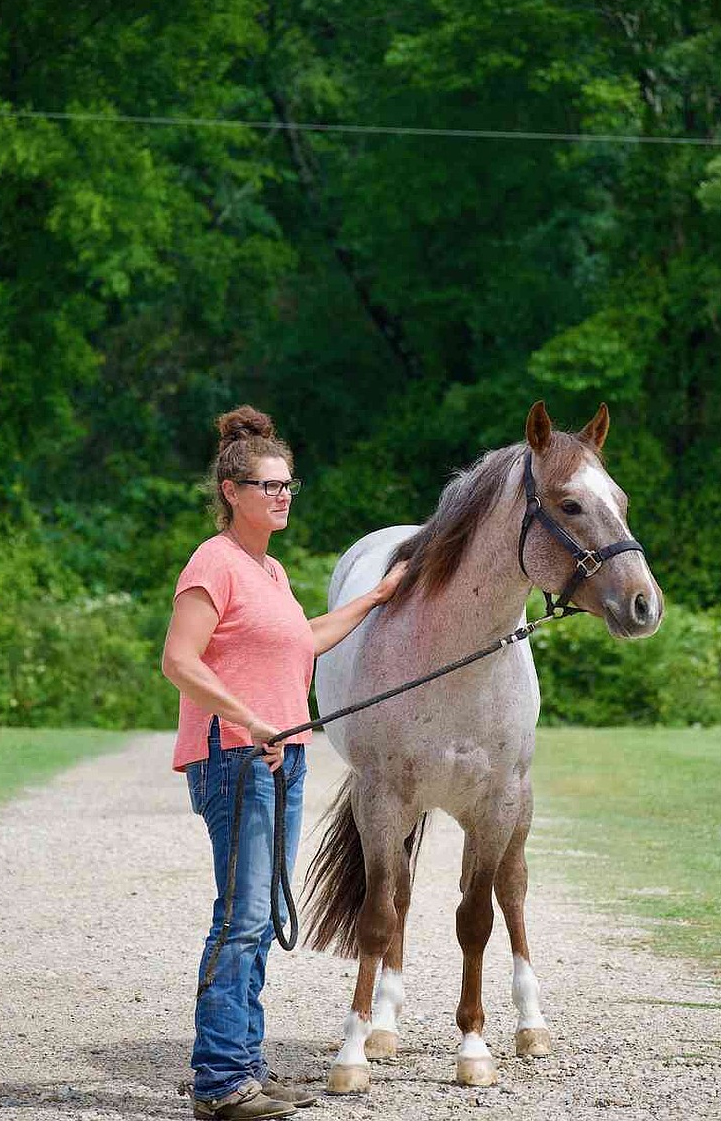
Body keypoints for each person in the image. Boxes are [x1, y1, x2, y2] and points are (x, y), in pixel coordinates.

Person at [161, 406, 405, 1121]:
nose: (282, 496)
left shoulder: (270, 571)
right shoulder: (214, 563)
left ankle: (245, 1069)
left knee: (263, 916)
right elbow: (178, 660)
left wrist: (378, 597)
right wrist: (249, 718)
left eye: (288, 485)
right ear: (231, 491)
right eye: (268, 486)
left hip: (281, 757)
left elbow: (306, 638)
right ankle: (219, 1082)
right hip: (234, 757)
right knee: (241, 918)